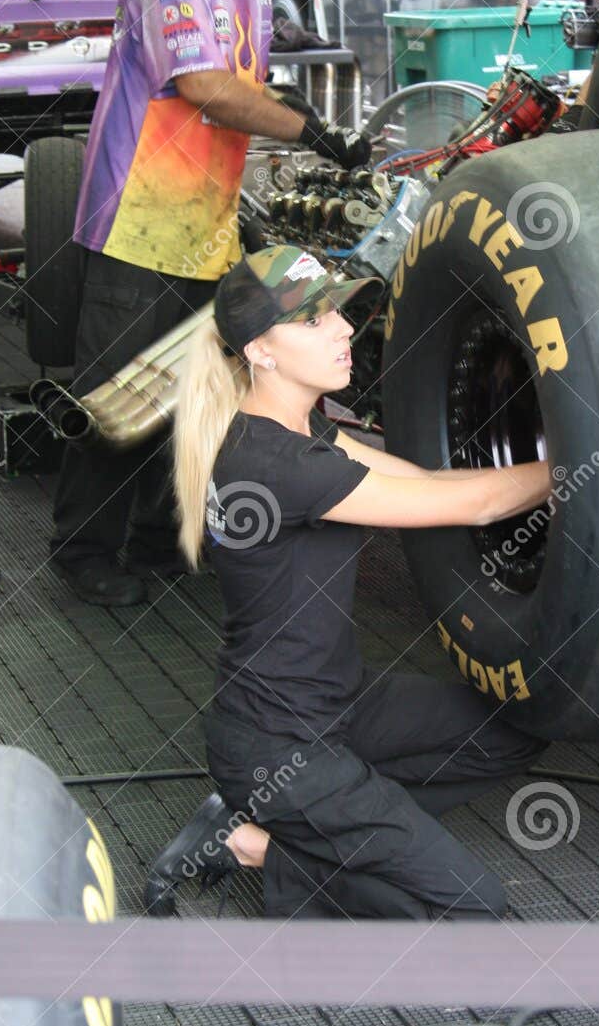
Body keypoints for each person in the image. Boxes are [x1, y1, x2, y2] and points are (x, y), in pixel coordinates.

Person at [145, 243, 552, 921]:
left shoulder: (303, 431)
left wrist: (539, 476)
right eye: (312, 321)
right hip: (279, 744)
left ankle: (339, 826)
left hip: (339, 704)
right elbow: (477, 506)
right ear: (261, 352)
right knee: (470, 907)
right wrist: (580, 464)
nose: (342, 329)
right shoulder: (279, 465)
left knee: (517, 728)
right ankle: (257, 846)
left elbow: (424, 483)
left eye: (336, 311)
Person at [50, 0, 369, 605]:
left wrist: (296, 109)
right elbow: (205, 89)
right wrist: (313, 131)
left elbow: (244, 89)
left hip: (206, 229)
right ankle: (83, 551)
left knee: (193, 396)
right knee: (117, 396)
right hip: (137, 226)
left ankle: (161, 540)